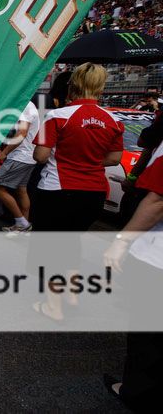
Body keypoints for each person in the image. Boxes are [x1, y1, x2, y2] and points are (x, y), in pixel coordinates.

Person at [30, 63, 123, 322]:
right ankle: (70, 294)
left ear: (74, 83)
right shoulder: (113, 120)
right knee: (72, 240)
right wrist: (89, 161)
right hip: (94, 192)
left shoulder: (58, 115)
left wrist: (67, 157)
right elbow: (115, 158)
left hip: (59, 188)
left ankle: (53, 305)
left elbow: (41, 156)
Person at [102, 139, 163, 412]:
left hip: (157, 257)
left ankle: (135, 392)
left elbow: (158, 200)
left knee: (147, 335)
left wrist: (122, 241)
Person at [0, 100, 40, 235]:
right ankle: (23, 227)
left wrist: (4, 153)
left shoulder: (26, 106)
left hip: (20, 156)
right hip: (27, 156)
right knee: (21, 190)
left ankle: (22, 223)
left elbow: (22, 133)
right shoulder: (24, 105)